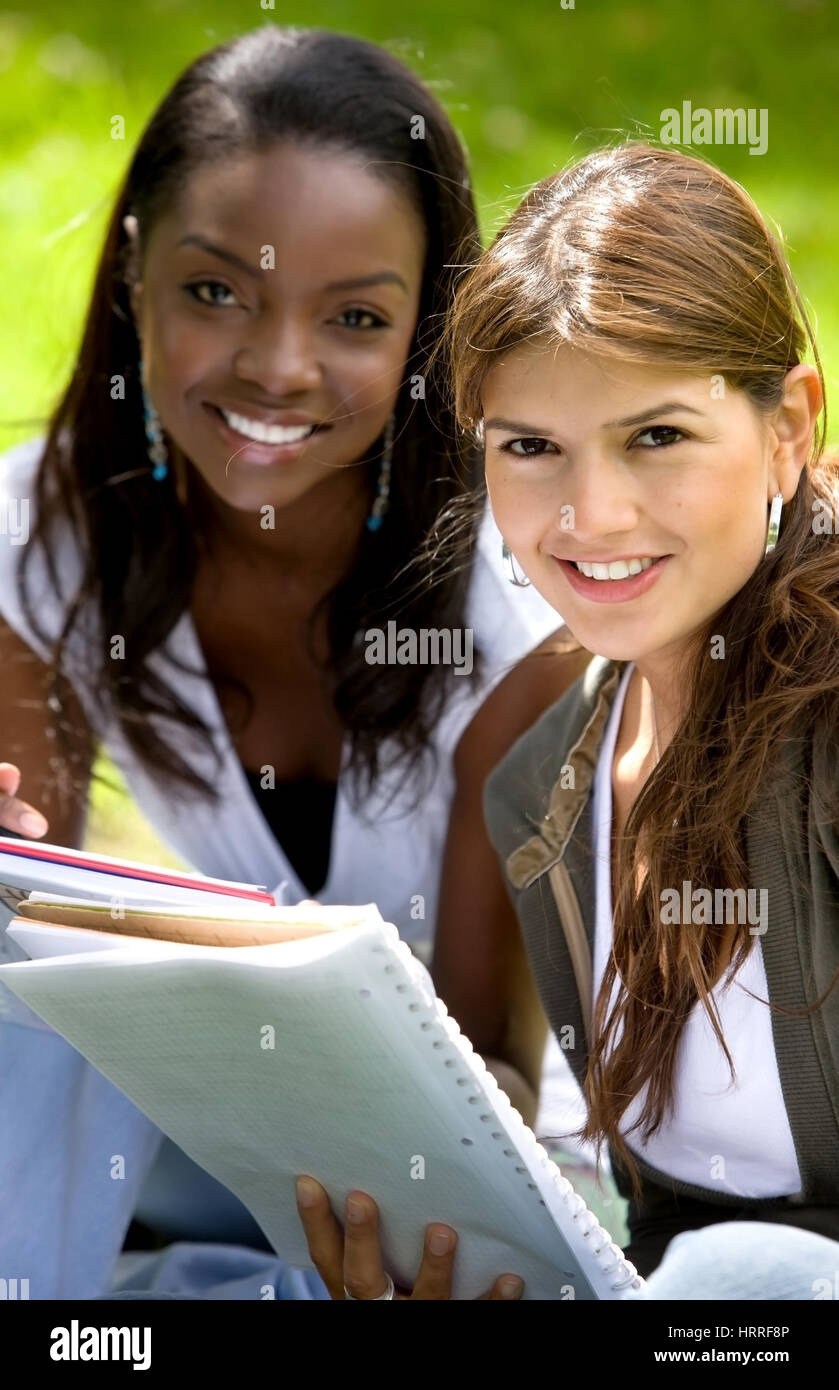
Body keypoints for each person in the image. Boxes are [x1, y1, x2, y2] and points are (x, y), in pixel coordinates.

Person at [0, 26, 592, 1300]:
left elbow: (487, 1060)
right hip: (201, 1134)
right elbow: (27, 954)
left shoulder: (515, 601)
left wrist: (409, 1216)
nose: (275, 366)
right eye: (214, 292)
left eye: (355, 317)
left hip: (444, 1159)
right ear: (131, 282)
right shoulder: (41, 555)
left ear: (430, 334)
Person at [293, 141, 839, 1299]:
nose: (589, 516)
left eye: (656, 437)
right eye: (529, 448)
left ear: (787, 425)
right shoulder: (540, 773)